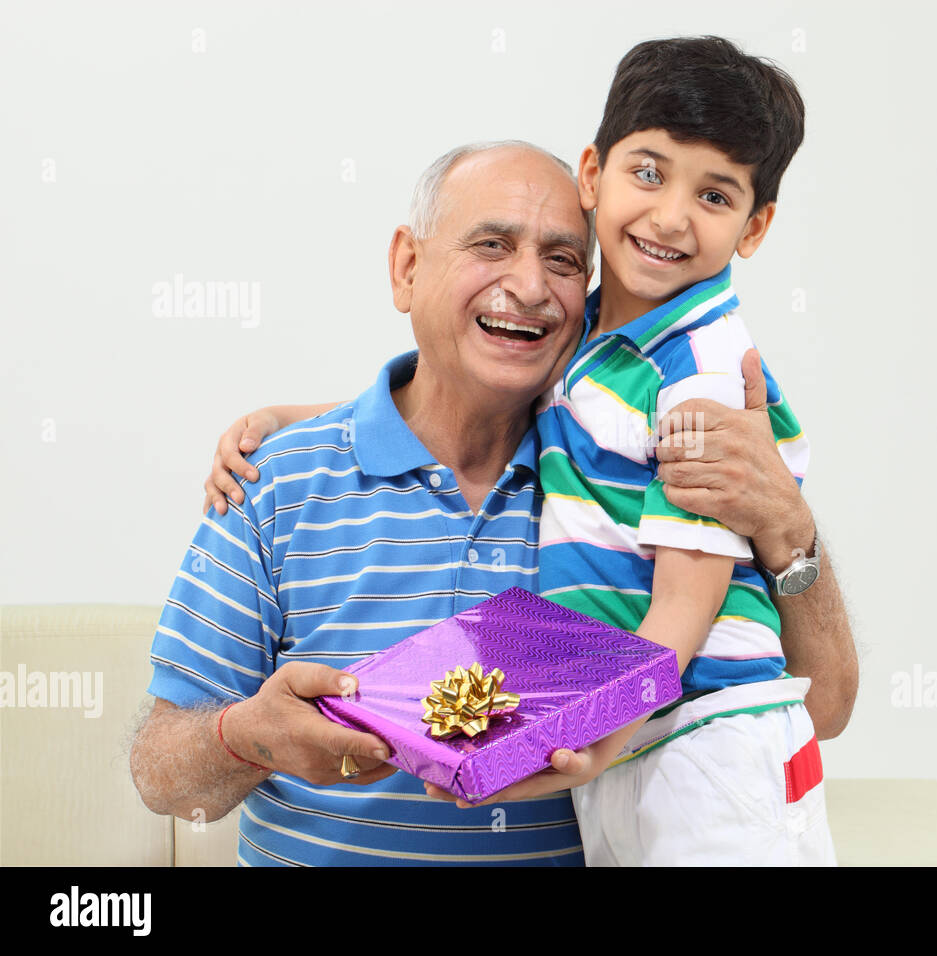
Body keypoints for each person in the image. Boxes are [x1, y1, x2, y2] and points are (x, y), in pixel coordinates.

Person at [135, 141, 856, 866]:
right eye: (492, 244)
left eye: (565, 261)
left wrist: (788, 527)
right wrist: (253, 736)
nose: (530, 286)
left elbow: (820, 709)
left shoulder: (613, 475)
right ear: (407, 267)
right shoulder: (276, 484)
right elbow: (160, 776)